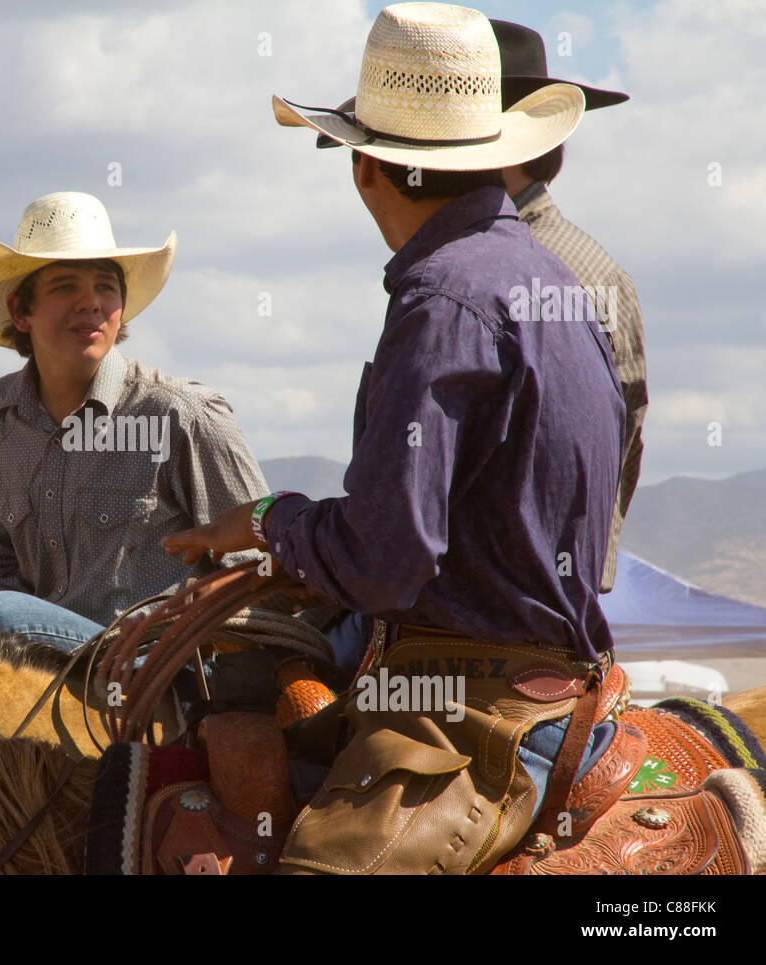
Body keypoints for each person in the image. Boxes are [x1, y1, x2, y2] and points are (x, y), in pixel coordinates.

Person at [164, 3, 625, 873]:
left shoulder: (442, 300)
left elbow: (387, 557)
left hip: (467, 715)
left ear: (367, 165)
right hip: (549, 682)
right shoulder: (554, 281)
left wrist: (274, 523)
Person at [0, 191, 268, 649]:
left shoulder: (182, 416)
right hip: (37, 669)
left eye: (105, 287)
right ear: (21, 311)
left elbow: (260, 571)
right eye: (65, 287)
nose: (91, 303)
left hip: (155, 666)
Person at [491, 18, 646, 593]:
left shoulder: (495, 267)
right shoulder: (599, 267)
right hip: (559, 587)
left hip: (500, 594)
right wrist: (591, 565)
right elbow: (628, 425)